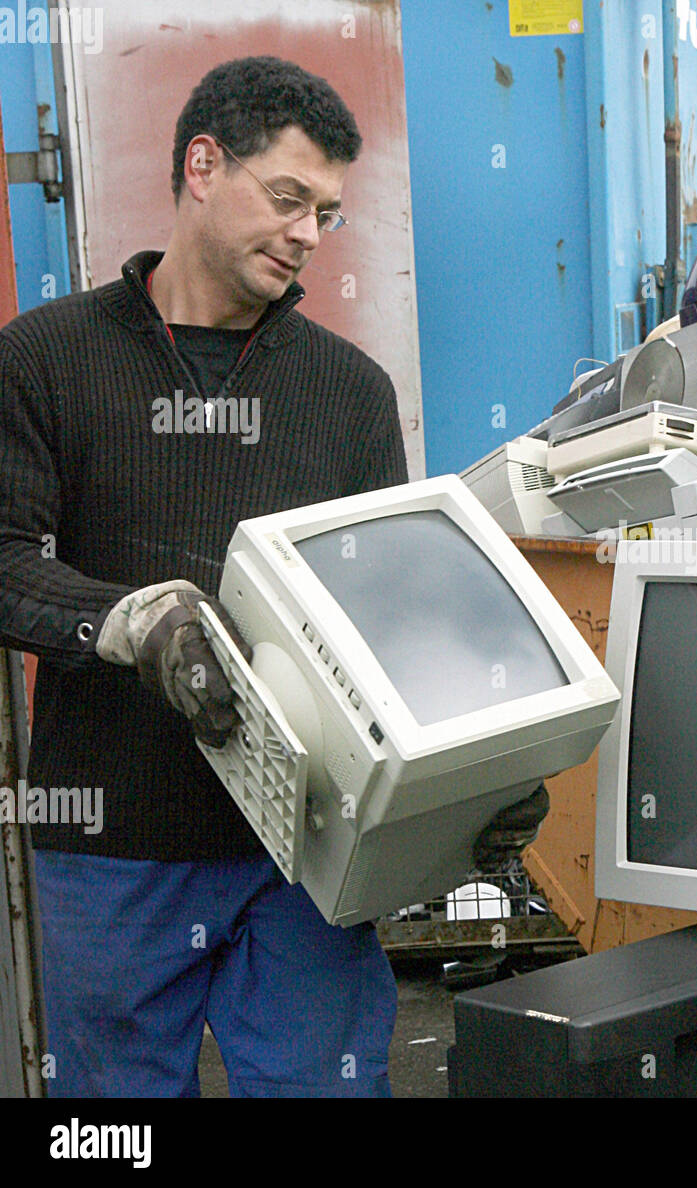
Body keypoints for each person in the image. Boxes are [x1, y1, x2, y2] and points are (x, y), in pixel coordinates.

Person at [0, 56, 545, 1098]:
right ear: (202, 166)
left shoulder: (346, 392)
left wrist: (467, 791)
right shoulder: (45, 361)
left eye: (326, 213)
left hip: (305, 857)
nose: (306, 234)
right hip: (114, 844)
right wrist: (131, 621)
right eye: (287, 198)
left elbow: (399, 623)